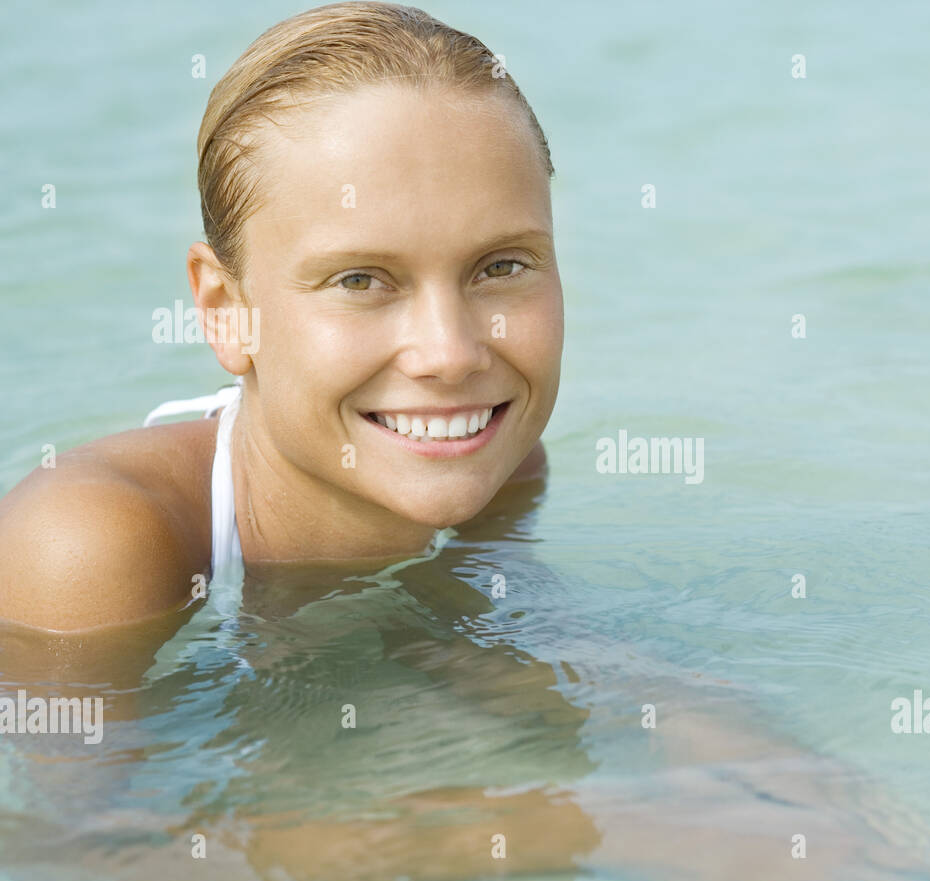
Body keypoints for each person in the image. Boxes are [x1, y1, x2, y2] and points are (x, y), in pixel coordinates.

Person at [0, 1, 561, 632]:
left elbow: (475, 659)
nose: (452, 355)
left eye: (501, 267)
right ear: (227, 312)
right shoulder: (84, 548)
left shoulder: (493, 456)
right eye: (359, 279)